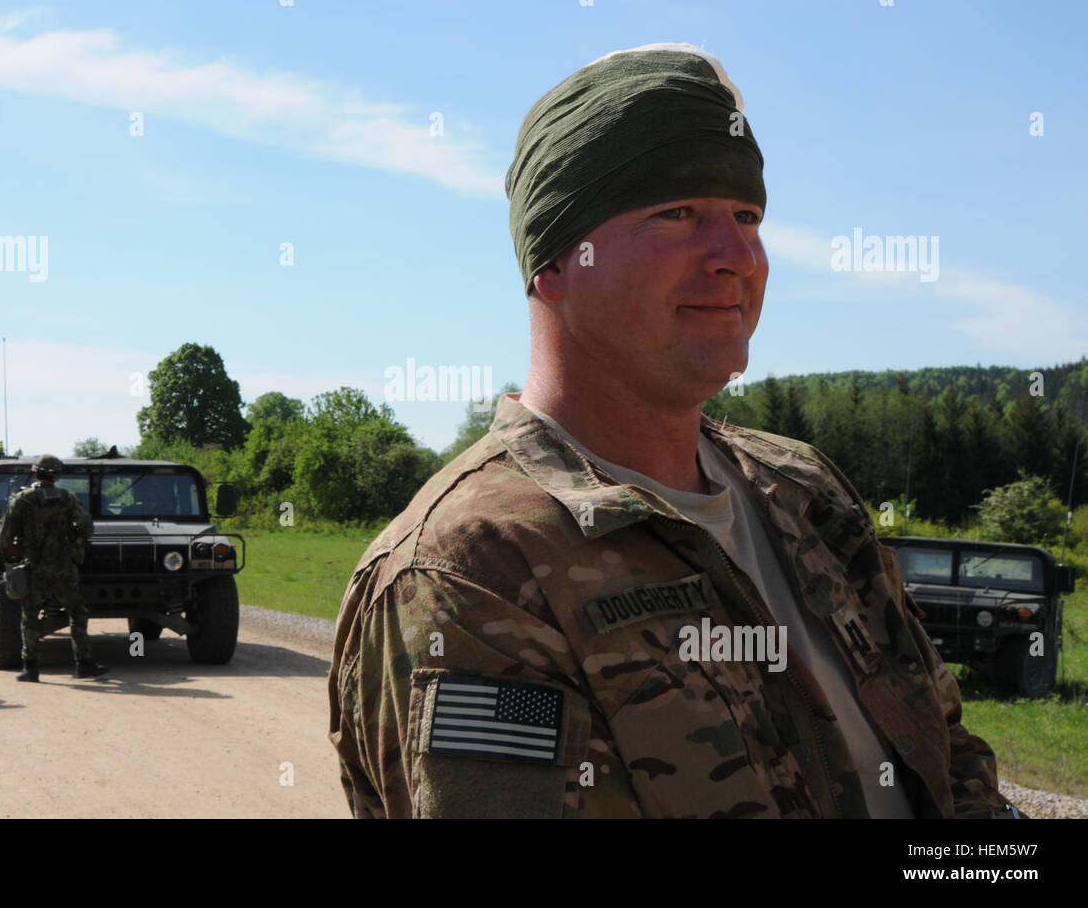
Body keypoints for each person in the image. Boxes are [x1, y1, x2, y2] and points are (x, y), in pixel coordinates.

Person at [328, 44, 1015, 819]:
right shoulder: (471, 572)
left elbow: (951, 758)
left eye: (747, 215)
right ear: (555, 261)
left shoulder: (805, 491)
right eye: (677, 212)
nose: (737, 257)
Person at [0, 454, 103, 681]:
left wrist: (4, 559)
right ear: (56, 475)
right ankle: (84, 663)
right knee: (77, 611)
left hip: (33, 567)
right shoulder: (67, 498)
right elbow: (86, 526)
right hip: (64, 566)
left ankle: (30, 668)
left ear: (36, 473)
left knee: (30, 615)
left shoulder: (21, 500)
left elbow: (5, 536)